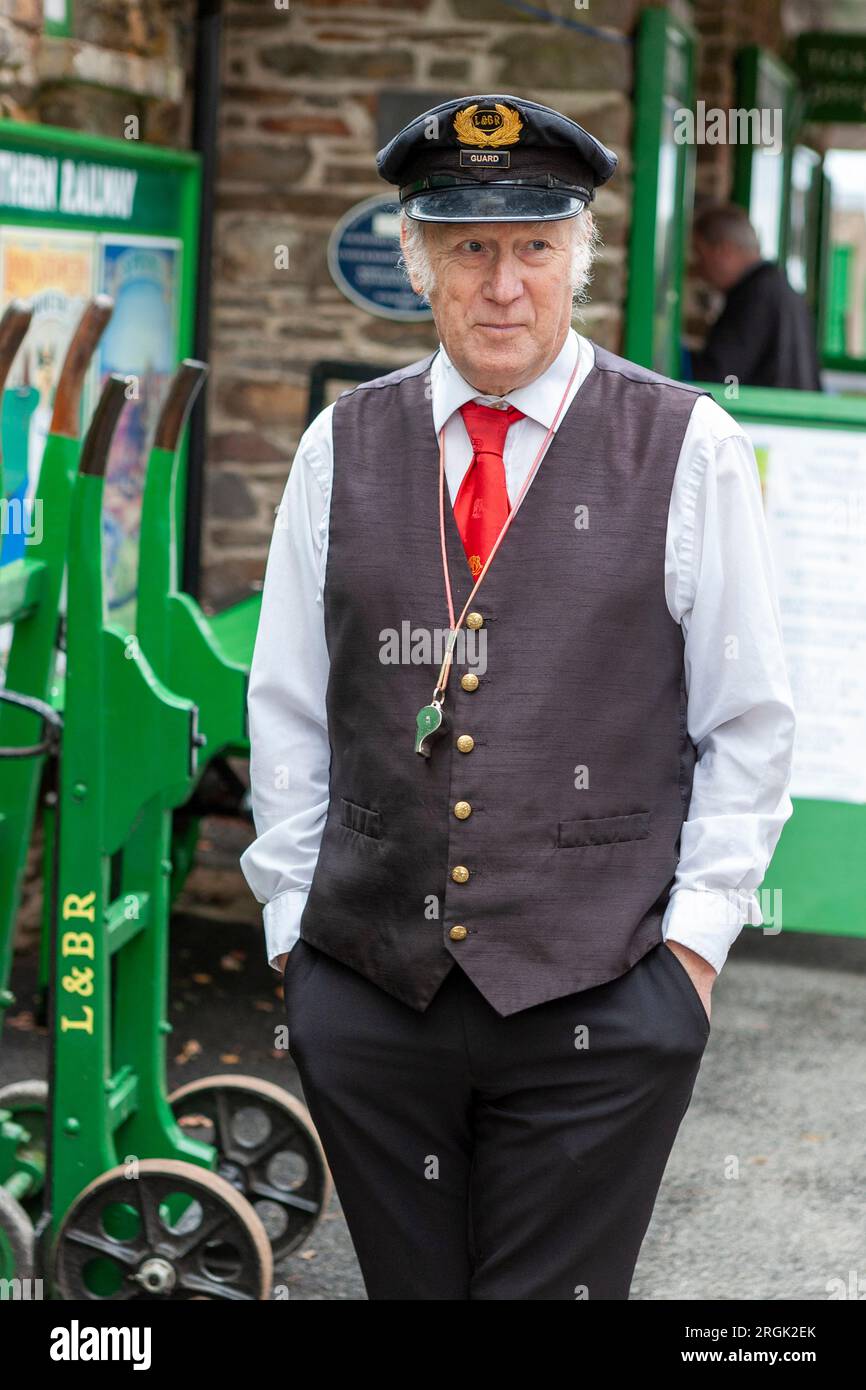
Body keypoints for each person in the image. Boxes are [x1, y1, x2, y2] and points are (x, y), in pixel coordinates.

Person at [240, 94, 796, 1300]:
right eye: (468, 248)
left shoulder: (686, 445)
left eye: (534, 247)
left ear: (574, 264)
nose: (502, 284)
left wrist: (688, 960)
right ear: (419, 265)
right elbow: (286, 704)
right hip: (371, 987)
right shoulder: (340, 445)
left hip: (599, 997)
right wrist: (296, 939)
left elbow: (746, 726)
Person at [689, 202, 822, 390]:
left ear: (724, 251)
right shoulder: (778, 286)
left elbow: (720, 377)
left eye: (699, 254)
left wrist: (680, 357)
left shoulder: (754, 294)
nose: (698, 268)